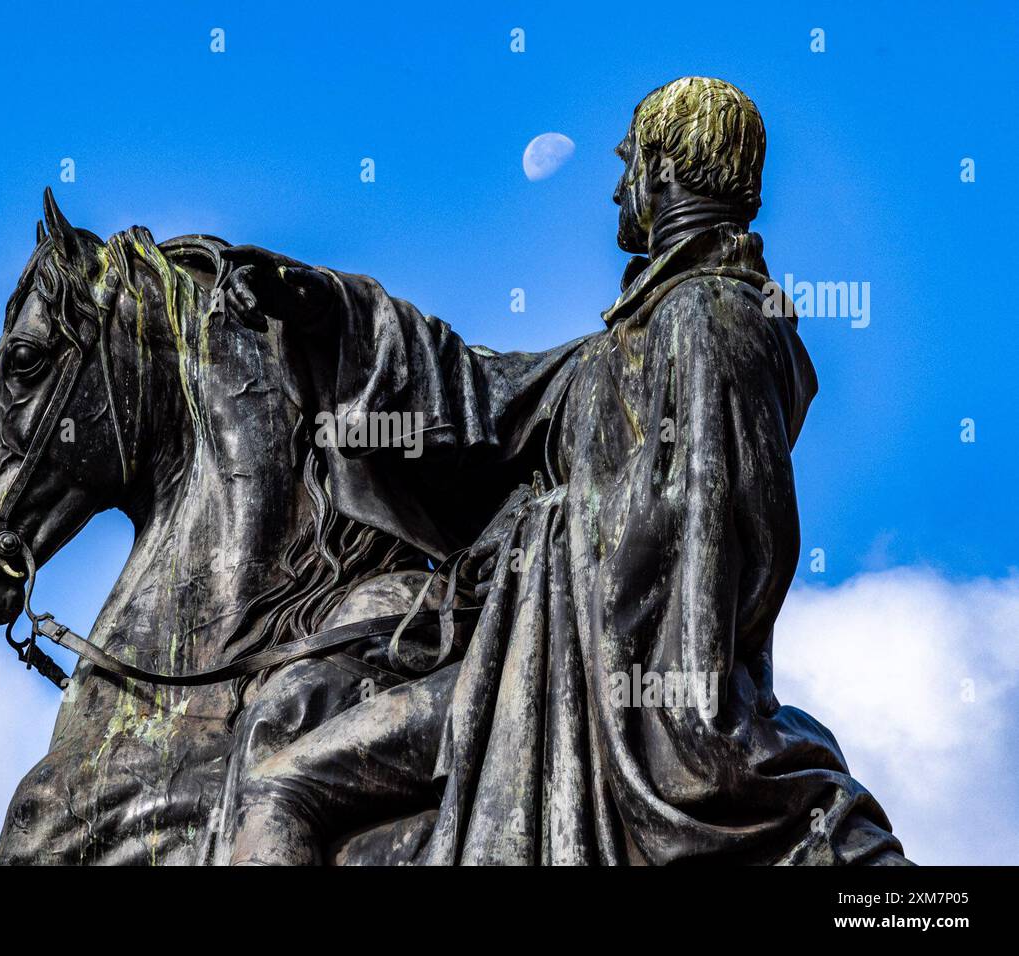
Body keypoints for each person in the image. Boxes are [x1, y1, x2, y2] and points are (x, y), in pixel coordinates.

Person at [210, 77, 908, 865]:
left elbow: (709, 523)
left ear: (665, 167)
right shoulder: (633, 341)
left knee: (285, 785)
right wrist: (327, 309)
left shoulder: (709, 316)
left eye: (627, 163)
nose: (618, 188)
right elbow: (481, 395)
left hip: (625, 697)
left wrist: (546, 534)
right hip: (557, 655)